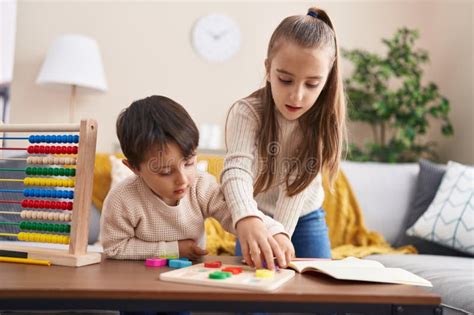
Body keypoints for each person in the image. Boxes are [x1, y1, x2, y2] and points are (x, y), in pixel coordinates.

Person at [222, 7, 347, 269]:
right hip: (255, 215)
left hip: (306, 215)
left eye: (312, 84)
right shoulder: (248, 113)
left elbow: (296, 186)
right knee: (252, 295)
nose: (297, 96)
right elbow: (236, 170)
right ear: (268, 69)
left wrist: (280, 236)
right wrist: (246, 218)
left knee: (320, 295)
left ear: (327, 79)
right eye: (285, 80)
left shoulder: (323, 118)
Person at [100, 95, 290, 262]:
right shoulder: (121, 199)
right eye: (166, 172)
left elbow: (235, 213)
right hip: (137, 282)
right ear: (134, 168)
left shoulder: (201, 186)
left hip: (188, 278)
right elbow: (115, 247)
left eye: (189, 163)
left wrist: (275, 231)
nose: (183, 180)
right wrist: (173, 250)